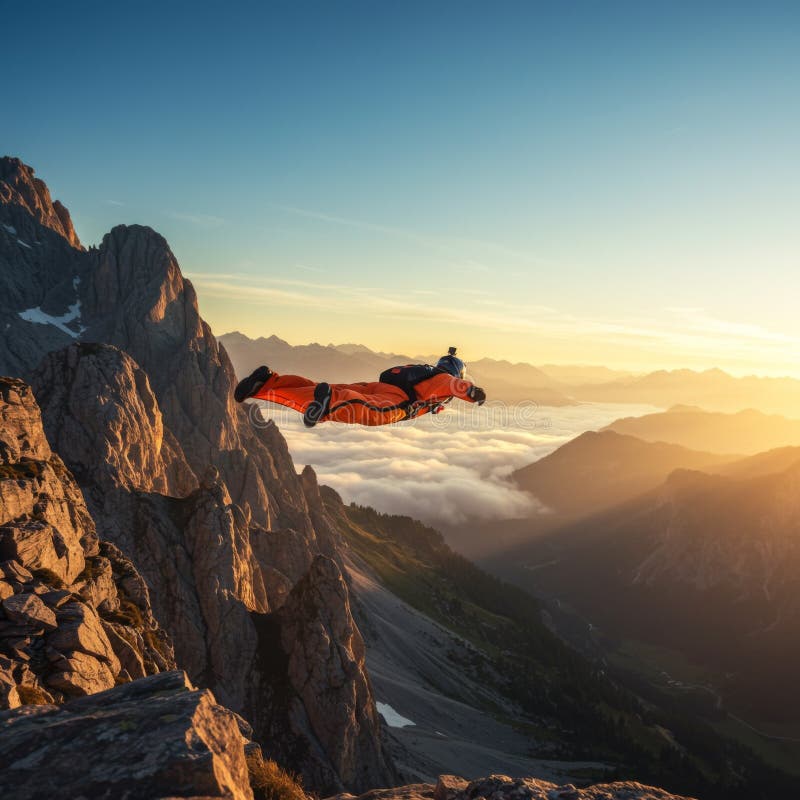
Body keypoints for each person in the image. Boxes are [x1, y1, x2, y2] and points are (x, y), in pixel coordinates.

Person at [234, 347, 487, 427]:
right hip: (399, 400)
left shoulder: (428, 375)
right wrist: (473, 393)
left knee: (317, 392)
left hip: (378, 385)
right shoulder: (444, 380)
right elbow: (456, 386)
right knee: (370, 412)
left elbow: (436, 405)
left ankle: (265, 384)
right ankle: (330, 401)